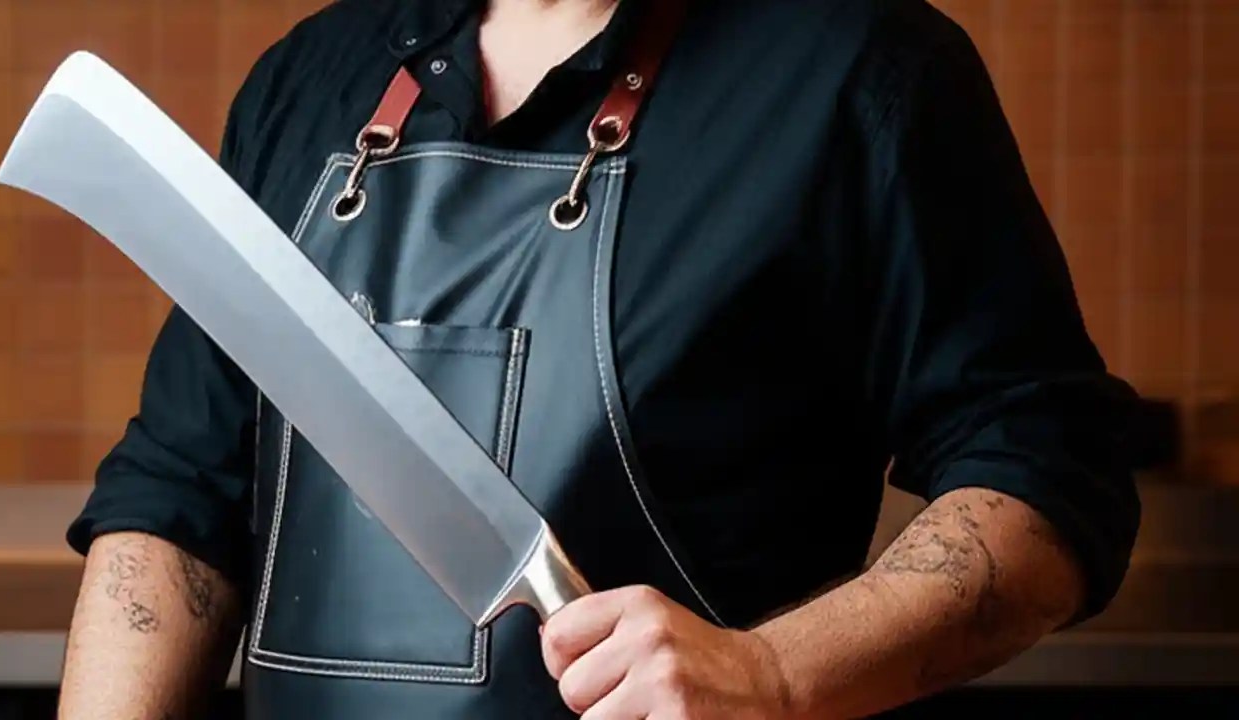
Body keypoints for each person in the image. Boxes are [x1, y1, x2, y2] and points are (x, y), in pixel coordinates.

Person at [56, 0, 1141, 718]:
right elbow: (175, 516)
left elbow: (1041, 481)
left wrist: (774, 674)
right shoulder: (310, 81)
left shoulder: (859, 70)